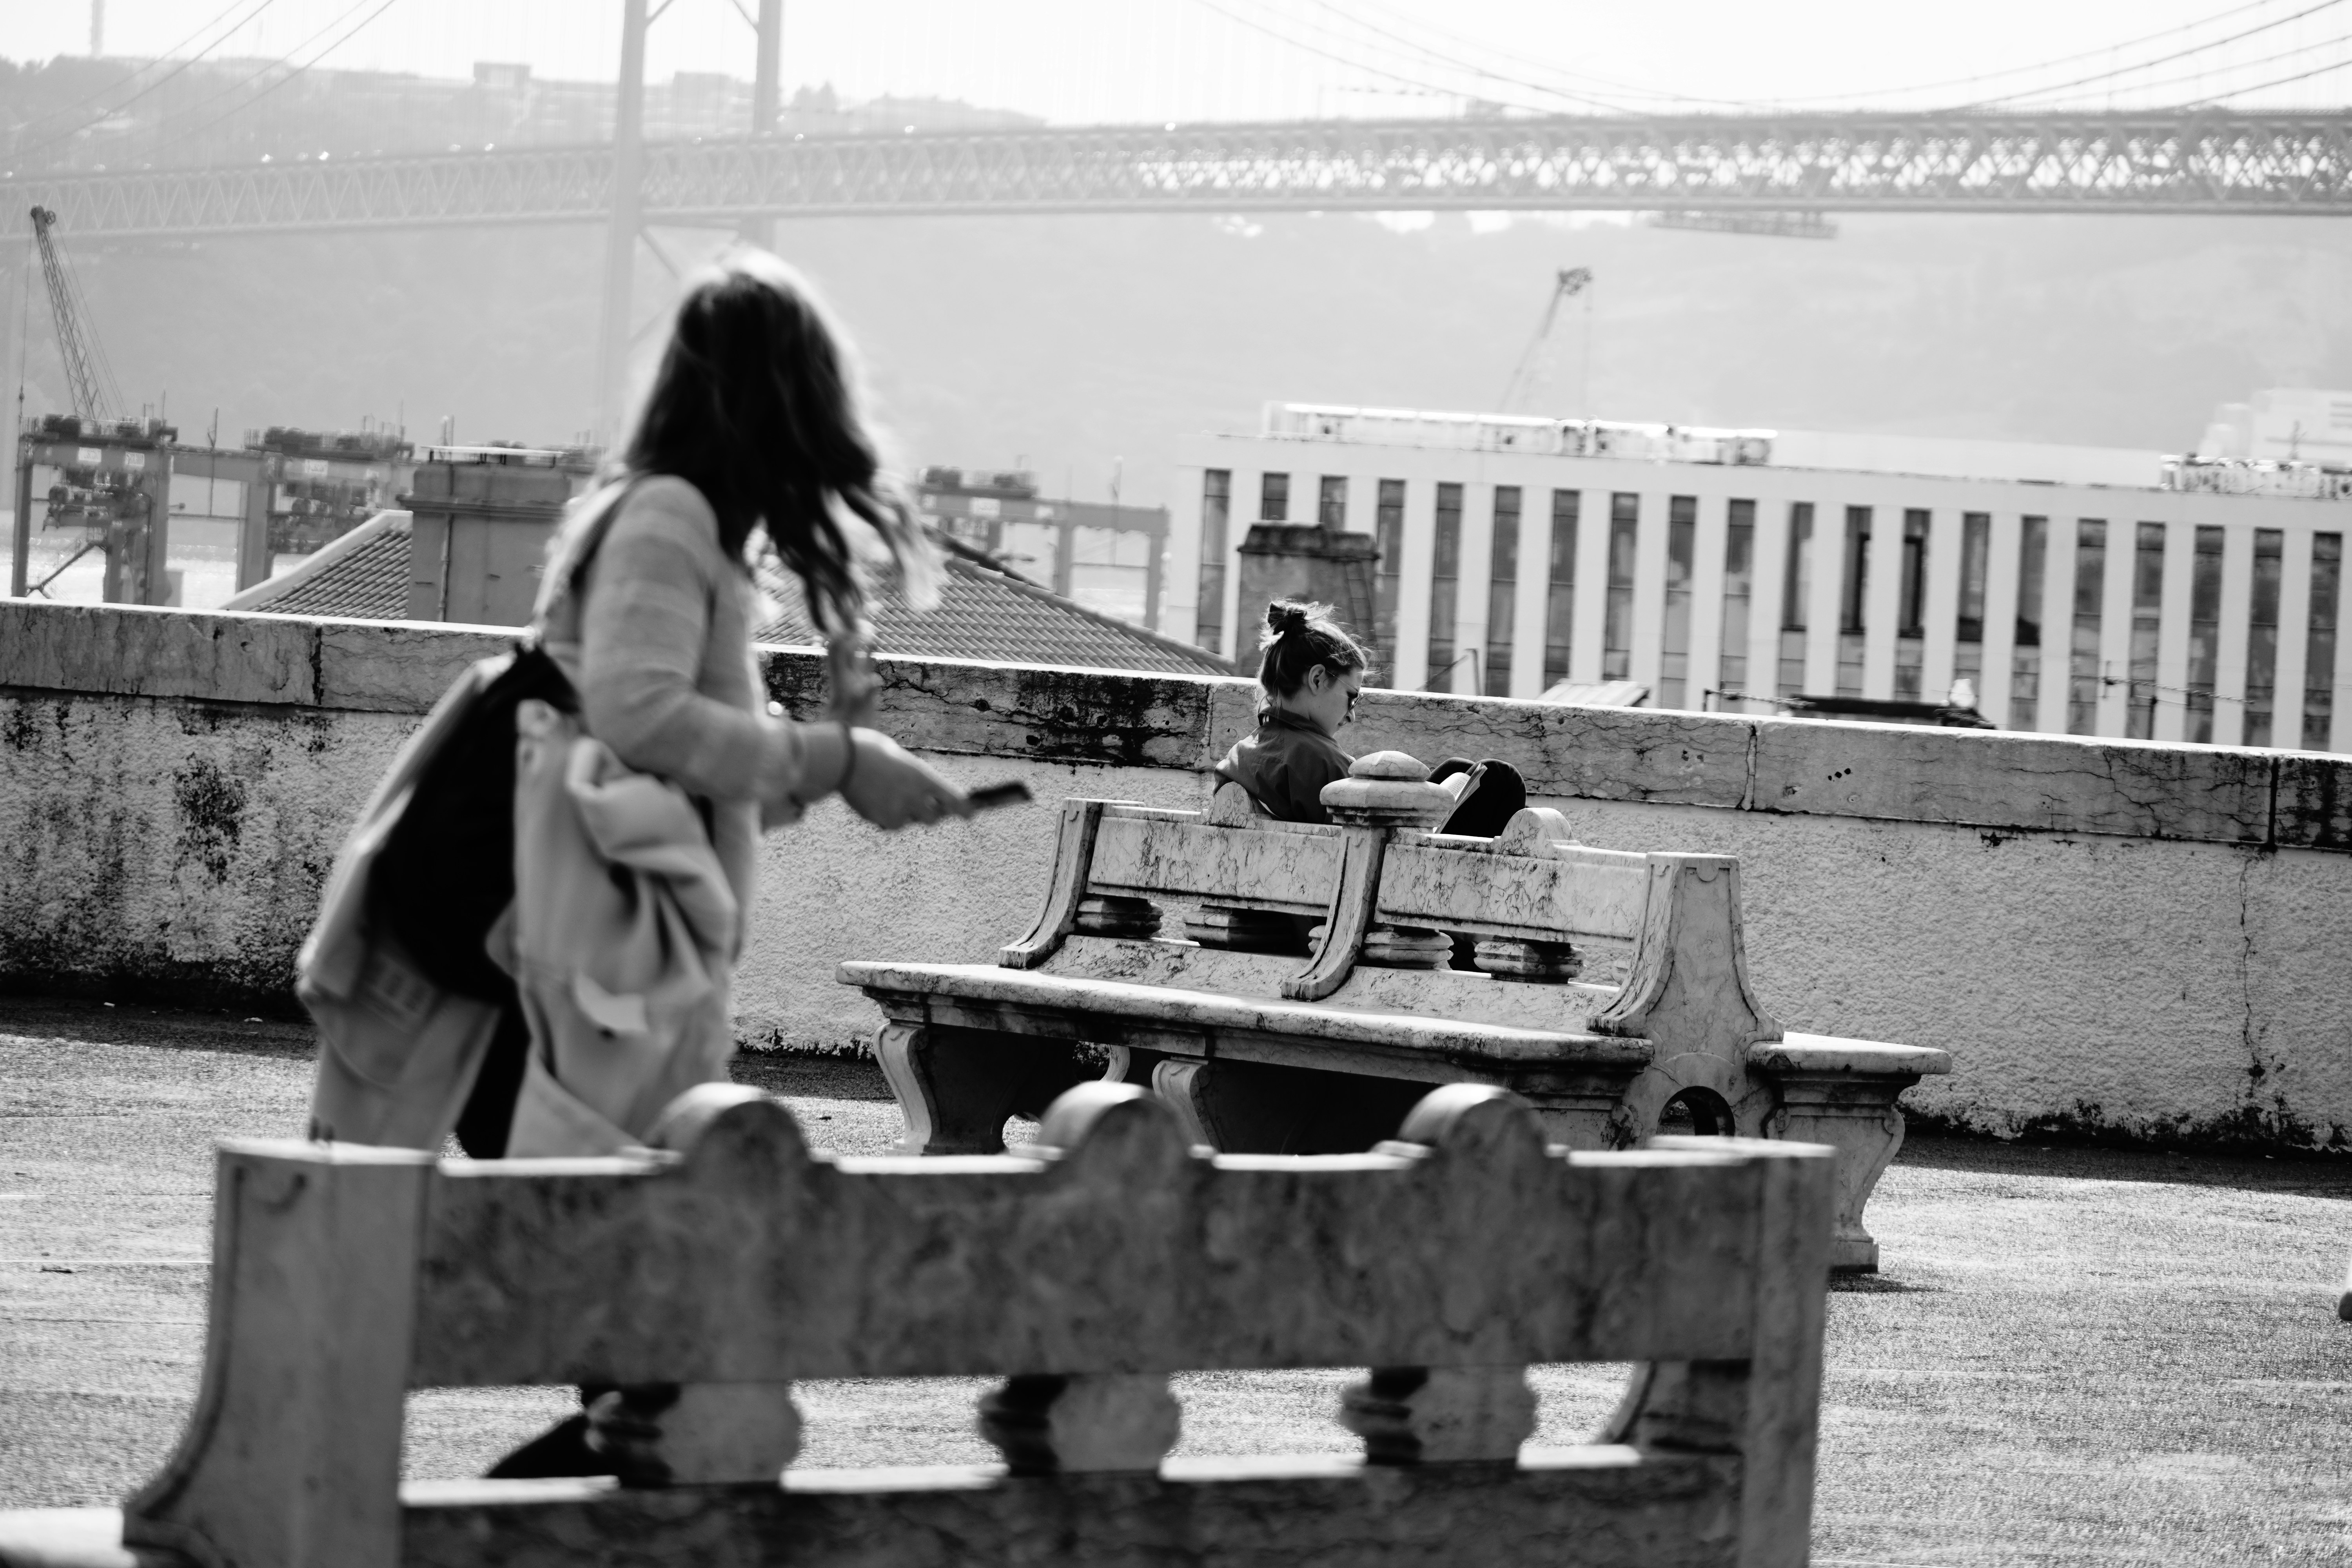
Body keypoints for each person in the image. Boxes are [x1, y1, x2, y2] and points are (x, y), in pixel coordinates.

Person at [483, 248, 973, 1477]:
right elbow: (640, 716)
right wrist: (836, 754)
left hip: (637, 954)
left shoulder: (677, 521)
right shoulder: (669, 517)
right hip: (612, 974)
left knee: (647, 1342)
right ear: (783, 401)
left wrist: (828, 766)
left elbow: (673, 772)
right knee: (658, 1323)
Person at [1216, 601, 1367, 824]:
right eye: (1351, 697)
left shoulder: (1237, 759)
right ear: (1318, 679)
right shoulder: (1328, 766)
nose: (1351, 716)